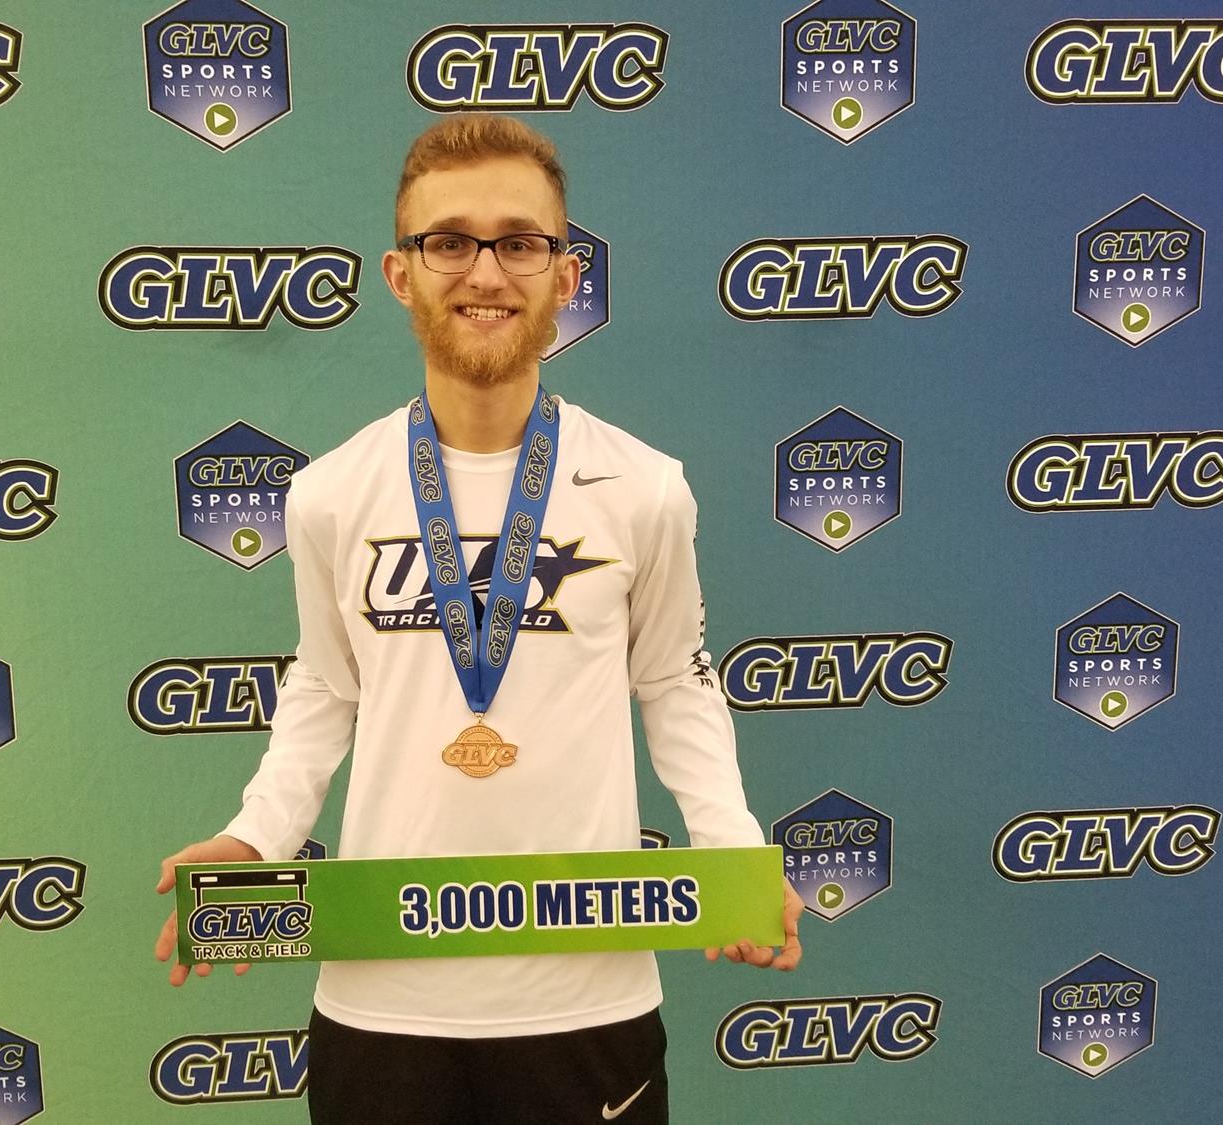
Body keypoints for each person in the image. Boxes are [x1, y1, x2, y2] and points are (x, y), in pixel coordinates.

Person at [153, 114, 803, 1124]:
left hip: (586, 996)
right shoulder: (329, 493)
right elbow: (325, 685)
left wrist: (727, 849)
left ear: (566, 274)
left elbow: (675, 679)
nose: (485, 272)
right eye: (448, 241)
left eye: (519, 242)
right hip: (381, 997)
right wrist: (254, 837)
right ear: (400, 274)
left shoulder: (643, 487)